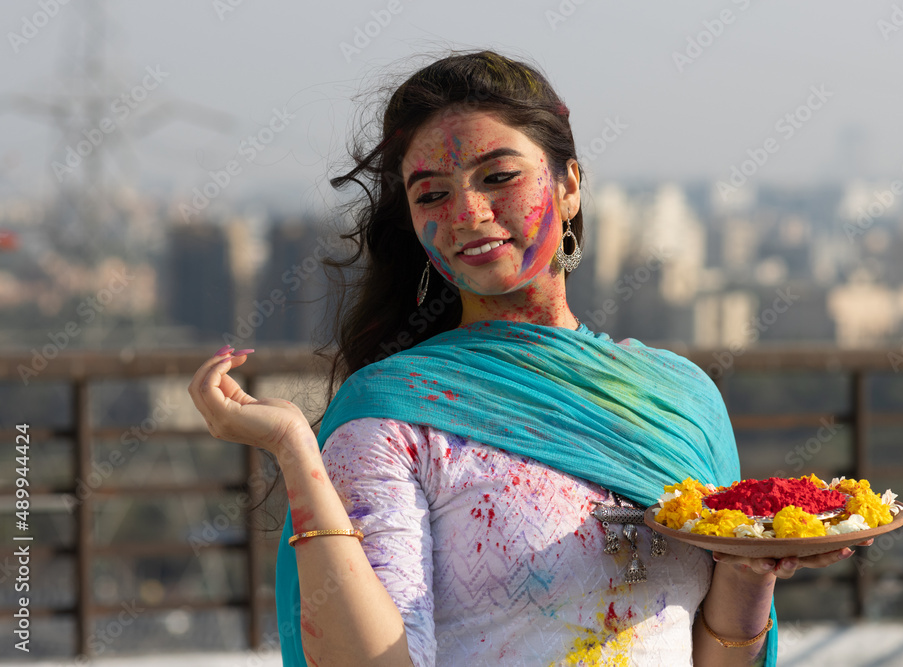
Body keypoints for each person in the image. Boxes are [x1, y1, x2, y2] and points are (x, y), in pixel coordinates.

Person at [188, 50, 868, 667]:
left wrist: (751, 568)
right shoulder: (391, 416)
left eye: (499, 177)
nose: (468, 213)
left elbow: (714, 657)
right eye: (432, 194)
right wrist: (295, 450)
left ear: (570, 183)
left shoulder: (681, 400)